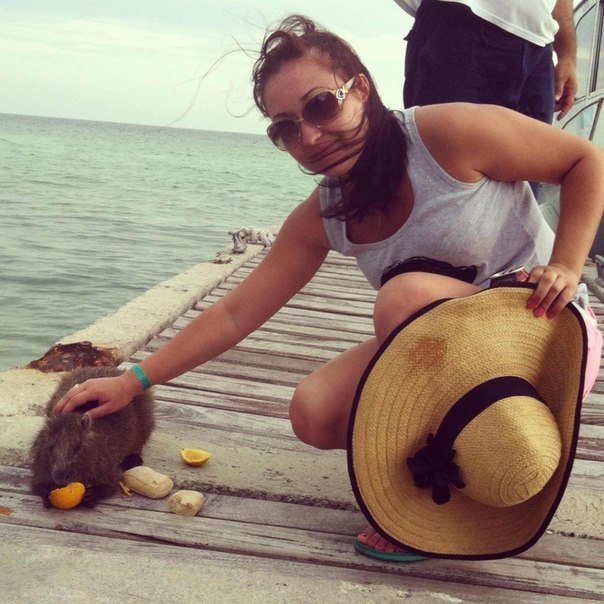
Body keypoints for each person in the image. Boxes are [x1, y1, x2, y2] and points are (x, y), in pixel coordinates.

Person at [54, 15, 603, 561]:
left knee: (403, 298)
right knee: (314, 412)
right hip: (447, 349)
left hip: (546, 332)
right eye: (286, 129)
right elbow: (235, 313)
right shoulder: (326, 214)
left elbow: (585, 161)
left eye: (320, 105)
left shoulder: (447, 134)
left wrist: (566, 265)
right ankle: (471, 459)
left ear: (360, 89)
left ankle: (442, 493)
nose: (310, 137)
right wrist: (134, 381)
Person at [394, 0, 578, 123]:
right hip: (458, 22)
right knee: (445, 158)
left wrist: (567, 56)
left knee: (532, 166)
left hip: (538, 45)